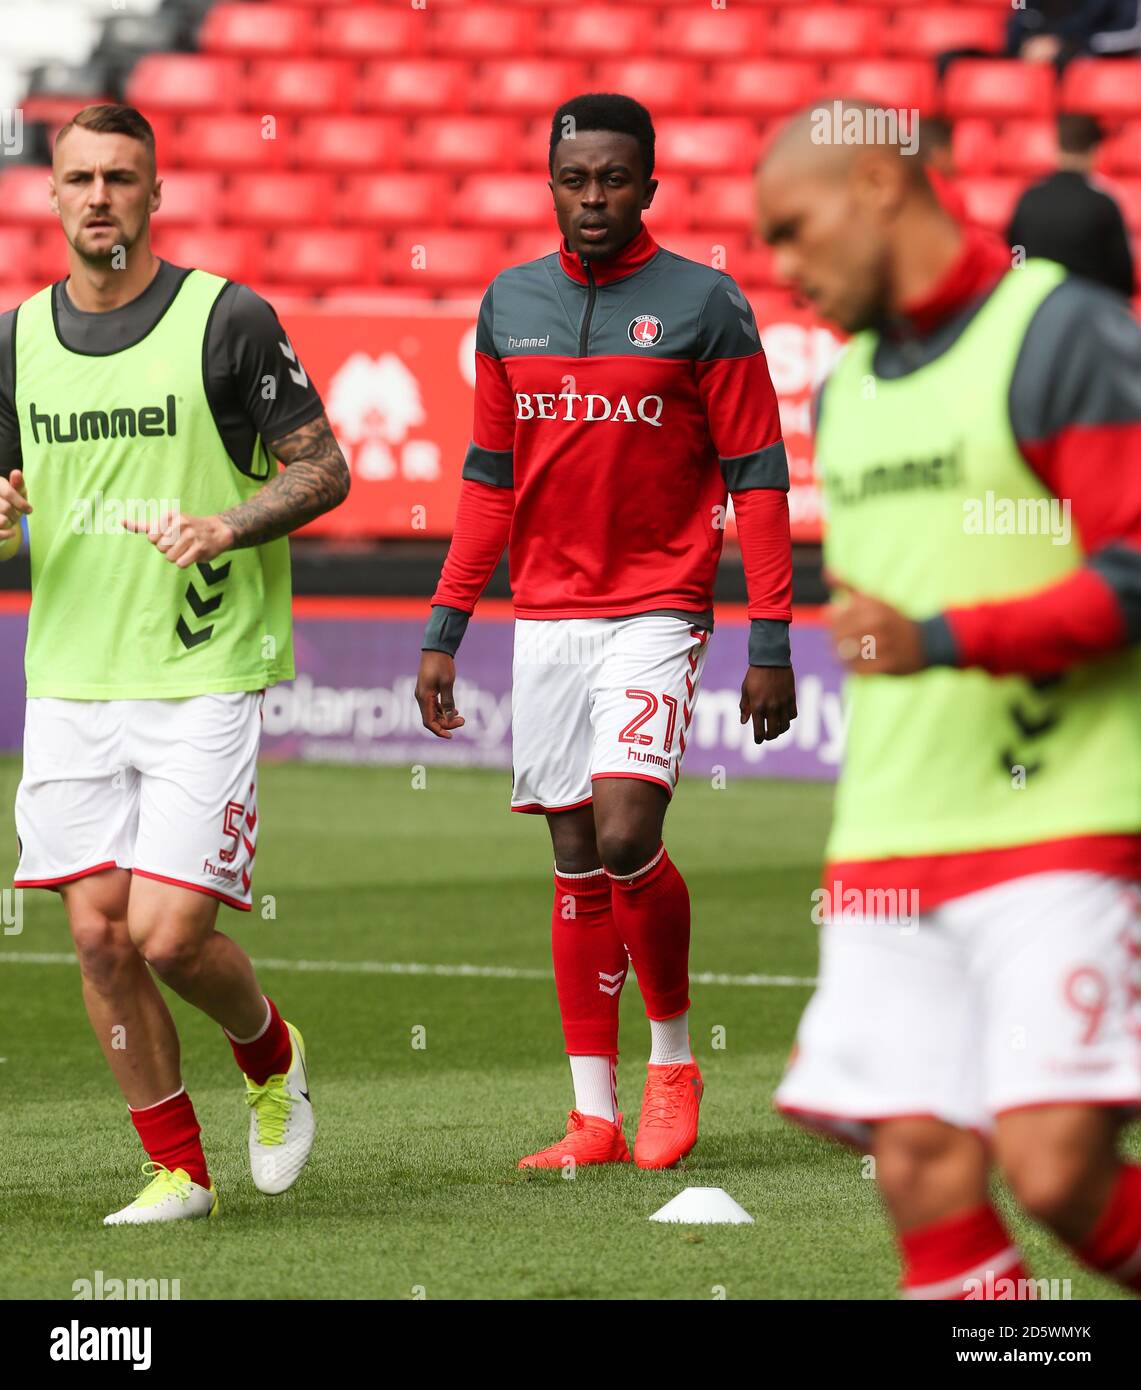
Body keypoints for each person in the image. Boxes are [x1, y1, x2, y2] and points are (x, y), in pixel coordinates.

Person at [757, 100, 1141, 1299]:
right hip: (889, 838)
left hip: (1059, 820)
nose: (782, 268)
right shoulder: (846, 391)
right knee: (917, 1161)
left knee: (1053, 1165)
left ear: (879, 181)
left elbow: (1130, 570)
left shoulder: (1059, 334)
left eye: (791, 229)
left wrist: (936, 639)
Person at [415, 93, 796, 1171]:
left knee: (628, 832)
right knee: (575, 853)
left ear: (649, 185)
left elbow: (756, 475)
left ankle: (673, 1062)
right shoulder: (508, 304)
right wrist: (446, 623)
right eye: (576, 179)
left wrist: (770, 637)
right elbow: (489, 478)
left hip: (659, 607)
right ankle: (593, 1113)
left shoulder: (705, 305)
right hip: (546, 615)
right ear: (551, 180)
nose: (594, 198)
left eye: (615, 179)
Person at [0, 105, 350, 1224]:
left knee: (167, 934)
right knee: (98, 936)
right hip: (68, 677)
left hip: (201, 664)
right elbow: (6, 518)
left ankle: (271, 1053)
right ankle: (177, 1172)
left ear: (155, 196)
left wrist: (228, 524)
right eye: (79, 178)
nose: (99, 196)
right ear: (50, 197)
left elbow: (324, 469)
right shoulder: (14, 340)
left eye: (121, 177)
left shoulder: (226, 320)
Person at [1007, 113, 1135, 298]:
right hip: (1087, 312)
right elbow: (1122, 274)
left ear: (1057, 147)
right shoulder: (1105, 202)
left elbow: (1016, 255)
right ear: (1095, 150)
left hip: (1036, 307)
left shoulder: (1029, 197)